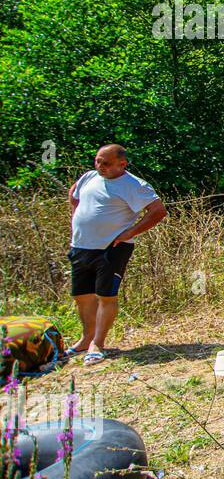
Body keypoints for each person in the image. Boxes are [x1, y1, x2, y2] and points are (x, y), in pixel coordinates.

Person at [67, 145, 168, 364]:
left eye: (106, 163)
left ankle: (98, 343)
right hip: (81, 245)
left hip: (111, 248)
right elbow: (74, 194)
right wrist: (77, 217)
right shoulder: (89, 177)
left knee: (106, 295)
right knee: (81, 295)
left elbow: (158, 211)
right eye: (97, 161)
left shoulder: (133, 185)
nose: (100, 167)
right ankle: (86, 339)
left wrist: (130, 232)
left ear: (122, 164)